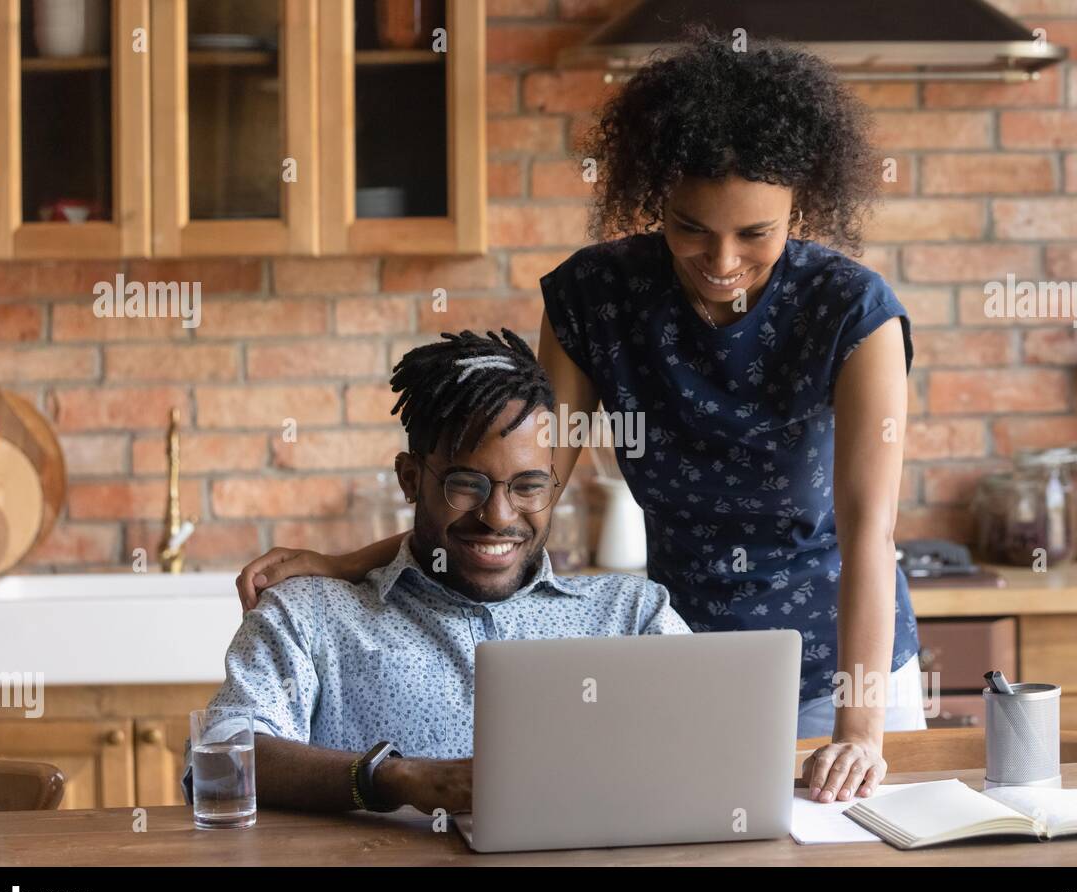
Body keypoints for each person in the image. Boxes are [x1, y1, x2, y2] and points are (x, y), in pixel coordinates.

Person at [236, 28, 924, 805]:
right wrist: (343, 564)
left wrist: (859, 730)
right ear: (653, 197)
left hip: (843, 671)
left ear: (802, 205)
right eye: (691, 227)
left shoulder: (853, 314)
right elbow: (523, 494)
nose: (722, 260)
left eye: (755, 234)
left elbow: (871, 534)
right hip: (675, 660)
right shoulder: (596, 297)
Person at [201, 329, 690, 816]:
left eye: (528, 486)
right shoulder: (308, 615)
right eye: (467, 485)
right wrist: (397, 778)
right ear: (410, 479)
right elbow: (223, 763)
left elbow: (724, 744)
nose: (499, 516)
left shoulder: (632, 616)